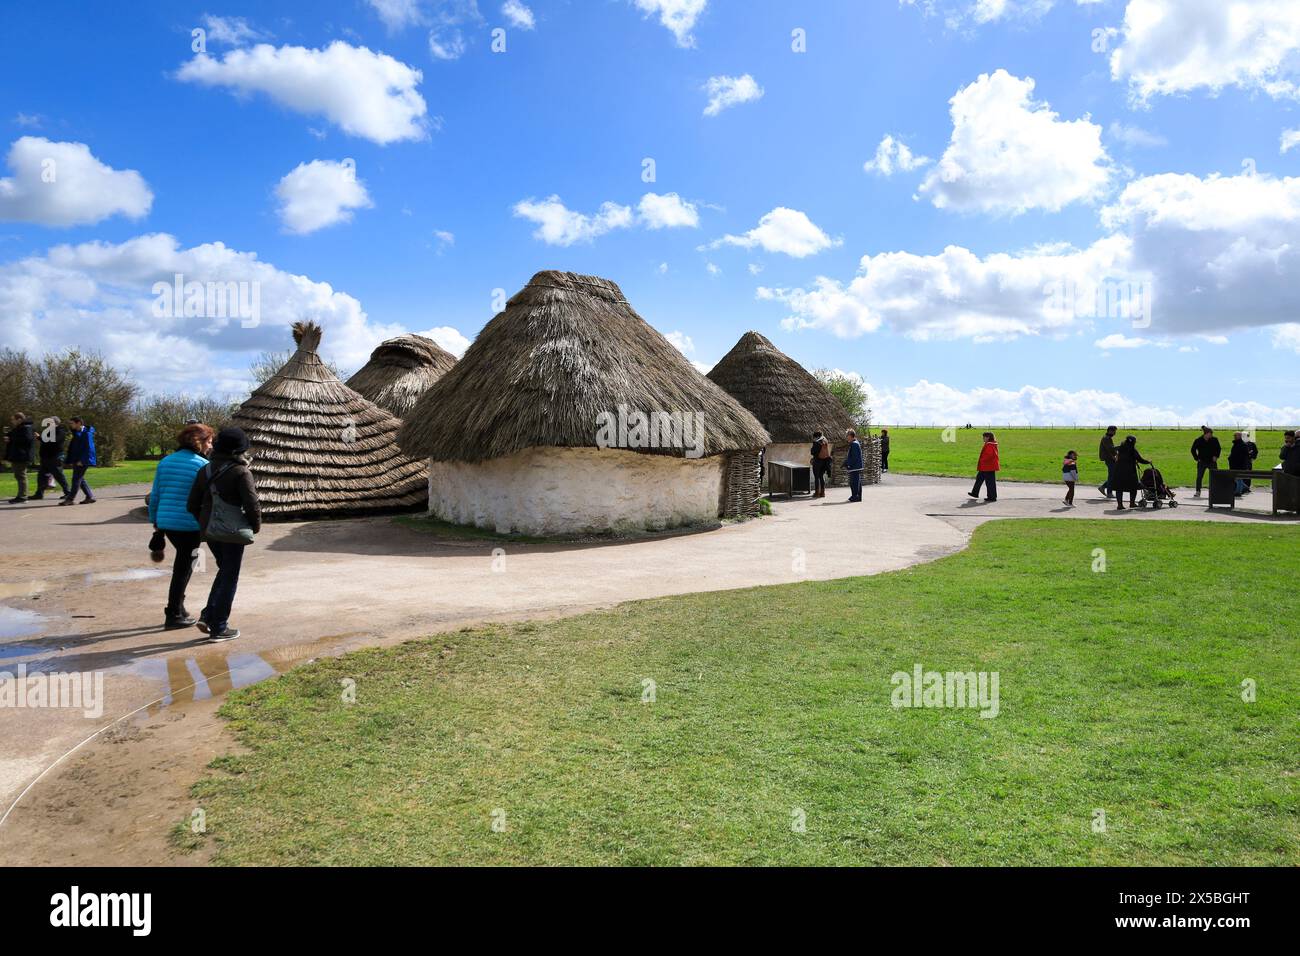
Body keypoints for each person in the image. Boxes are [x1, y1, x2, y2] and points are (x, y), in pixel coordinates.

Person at [186, 427, 261, 642]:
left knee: (224, 572)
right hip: (233, 532)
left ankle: (209, 614)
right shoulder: (241, 472)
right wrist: (254, 526)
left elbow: (191, 504)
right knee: (230, 576)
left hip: (211, 531)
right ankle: (219, 626)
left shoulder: (205, 470)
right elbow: (252, 503)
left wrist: (205, 522)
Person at [149, 423, 213, 630]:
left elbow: (156, 494)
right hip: (188, 523)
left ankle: (179, 608)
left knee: (183, 565)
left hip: (166, 522)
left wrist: (156, 521)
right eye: (209, 441)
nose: (210, 445)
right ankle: (174, 612)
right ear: (199, 441)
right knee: (183, 569)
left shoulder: (165, 461)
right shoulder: (201, 465)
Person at [30, 416, 70, 501]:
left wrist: (41, 438)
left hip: (54, 457)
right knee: (41, 476)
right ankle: (39, 494)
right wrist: (39, 438)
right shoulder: (49, 431)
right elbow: (46, 441)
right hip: (46, 458)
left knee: (59, 476)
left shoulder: (60, 431)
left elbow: (53, 442)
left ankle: (68, 493)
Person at [62, 417, 97, 505]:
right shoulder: (77, 432)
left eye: (72, 423)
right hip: (77, 459)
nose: (70, 425)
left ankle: (70, 499)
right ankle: (90, 497)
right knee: (80, 479)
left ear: (78, 423)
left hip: (82, 460)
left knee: (76, 479)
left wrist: (82, 460)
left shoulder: (87, 433)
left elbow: (89, 448)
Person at [3, 412, 35, 504]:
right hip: (18, 455)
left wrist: (11, 439)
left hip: (22, 456)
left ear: (19, 419)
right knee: (19, 475)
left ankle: (23, 496)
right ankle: (21, 495)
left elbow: (27, 440)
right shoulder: (20, 428)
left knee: (21, 475)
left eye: (13, 419)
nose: (12, 421)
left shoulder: (26, 428)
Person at [1112, 435, 1150, 510]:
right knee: (1133, 487)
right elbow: (1140, 459)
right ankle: (1132, 503)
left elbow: (1114, 451)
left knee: (1119, 488)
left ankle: (1120, 505)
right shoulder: (1132, 449)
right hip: (1130, 472)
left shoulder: (1120, 448)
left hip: (1118, 471)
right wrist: (1148, 462)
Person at [967, 432, 999, 502]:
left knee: (989, 482)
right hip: (987, 466)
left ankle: (992, 497)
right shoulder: (991, 444)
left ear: (988, 437)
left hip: (987, 467)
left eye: (984, 437)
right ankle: (975, 493)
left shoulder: (990, 445)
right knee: (980, 479)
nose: (983, 438)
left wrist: (982, 460)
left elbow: (989, 455)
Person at [1190, 425, 1221, 498]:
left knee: (1215, 476)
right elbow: (1193, 450)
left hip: (1212, 462)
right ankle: (1198, 491)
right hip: (1202, 462)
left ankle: (1216, 491)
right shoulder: (1198, 440)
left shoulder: (1214, 440)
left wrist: (1216, 456)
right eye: (1210, 434)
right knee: (1199, 477)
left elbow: (1218, 449)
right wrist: (1197, 458)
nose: (1211, 435)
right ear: (1206, 434)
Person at [1227, 432, 1252, 497]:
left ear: (1240, 436)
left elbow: (1245, 456)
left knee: (1238, 478)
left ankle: (1238, 492)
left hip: (1240, 464)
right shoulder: (1236, 444)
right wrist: (1230, 458)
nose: (1234, 436)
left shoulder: (1242, 445)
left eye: (1236, 435)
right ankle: (1245, 487)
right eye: (1234, 435)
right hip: (1234, 464)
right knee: (1236, 478)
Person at [843, 429, 864, 502]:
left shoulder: (854, 444)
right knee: (857, 481)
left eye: (847, 436)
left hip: (855, 467)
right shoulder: (855, 443)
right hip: (856, 466)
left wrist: (848, 464)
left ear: (851, 436)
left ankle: (855, 496)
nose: (846, 437)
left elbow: (854, 457)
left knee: (854, 482)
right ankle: (857, 496)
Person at [1097, 426, 1118, 498]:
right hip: (1109, 459)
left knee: (1113, 475)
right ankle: (1109, 492)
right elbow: (1110, 449)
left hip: (1110, 458)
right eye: (1114, 431)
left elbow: (1111, 449)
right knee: (1112, 476)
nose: (1115, 433)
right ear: (1109, 431)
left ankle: (1103, 487)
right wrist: (1120, 448)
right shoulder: (1106, 438)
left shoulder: (1108, 438)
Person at [809, 431, 832, 498]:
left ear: (816, 436)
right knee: (821, 477)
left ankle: (817, 493)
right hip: (825, 462)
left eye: (814, 437)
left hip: (817, 461)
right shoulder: (825, 441)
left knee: (816, 477)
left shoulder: (817, 442)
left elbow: (812, 452)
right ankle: (822, 493)